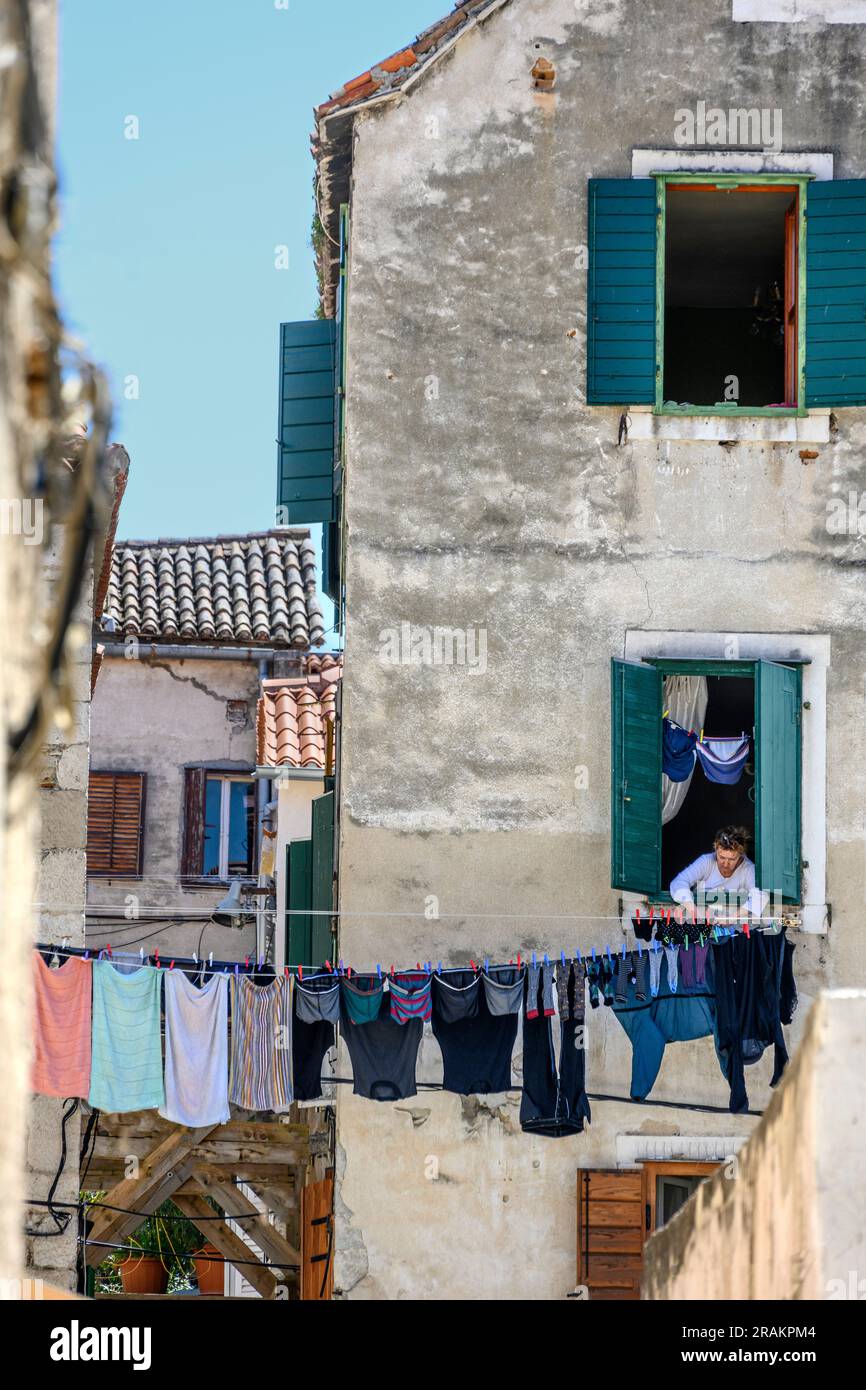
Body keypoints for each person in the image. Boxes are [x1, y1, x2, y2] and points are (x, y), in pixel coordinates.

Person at [670, 826, 766, 918]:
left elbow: (761, 897)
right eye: (722, 857)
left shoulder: (748, 869)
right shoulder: (706, 861)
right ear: (716, 849)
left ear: (741, 854)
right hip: (700, 922)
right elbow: (679, 882)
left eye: (732, 859)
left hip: (734, 928)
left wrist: (732, 918)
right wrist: (691, 907)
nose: (726, 863)